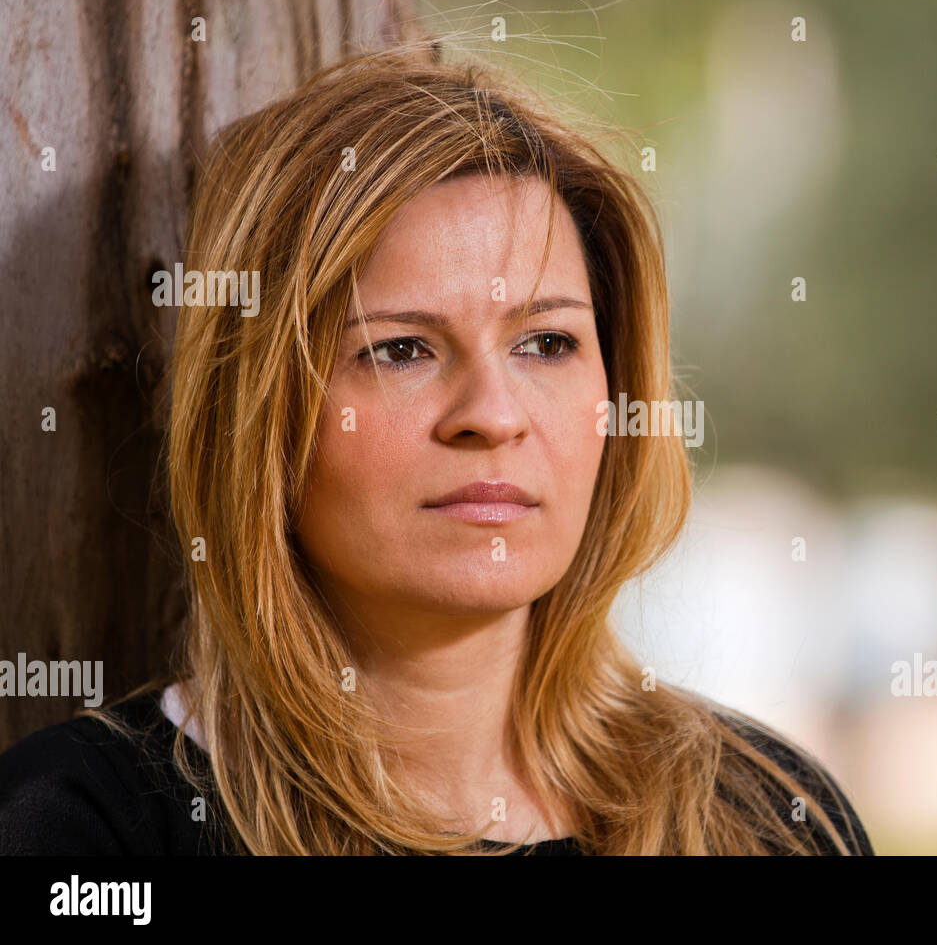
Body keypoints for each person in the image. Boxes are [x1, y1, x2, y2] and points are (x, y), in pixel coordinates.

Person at [0, 41, 872, 855]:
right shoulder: (79, 831)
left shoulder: (768, 818)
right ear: (258, 412)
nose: (493, 415)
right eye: (400, 350)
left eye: (547, 343)